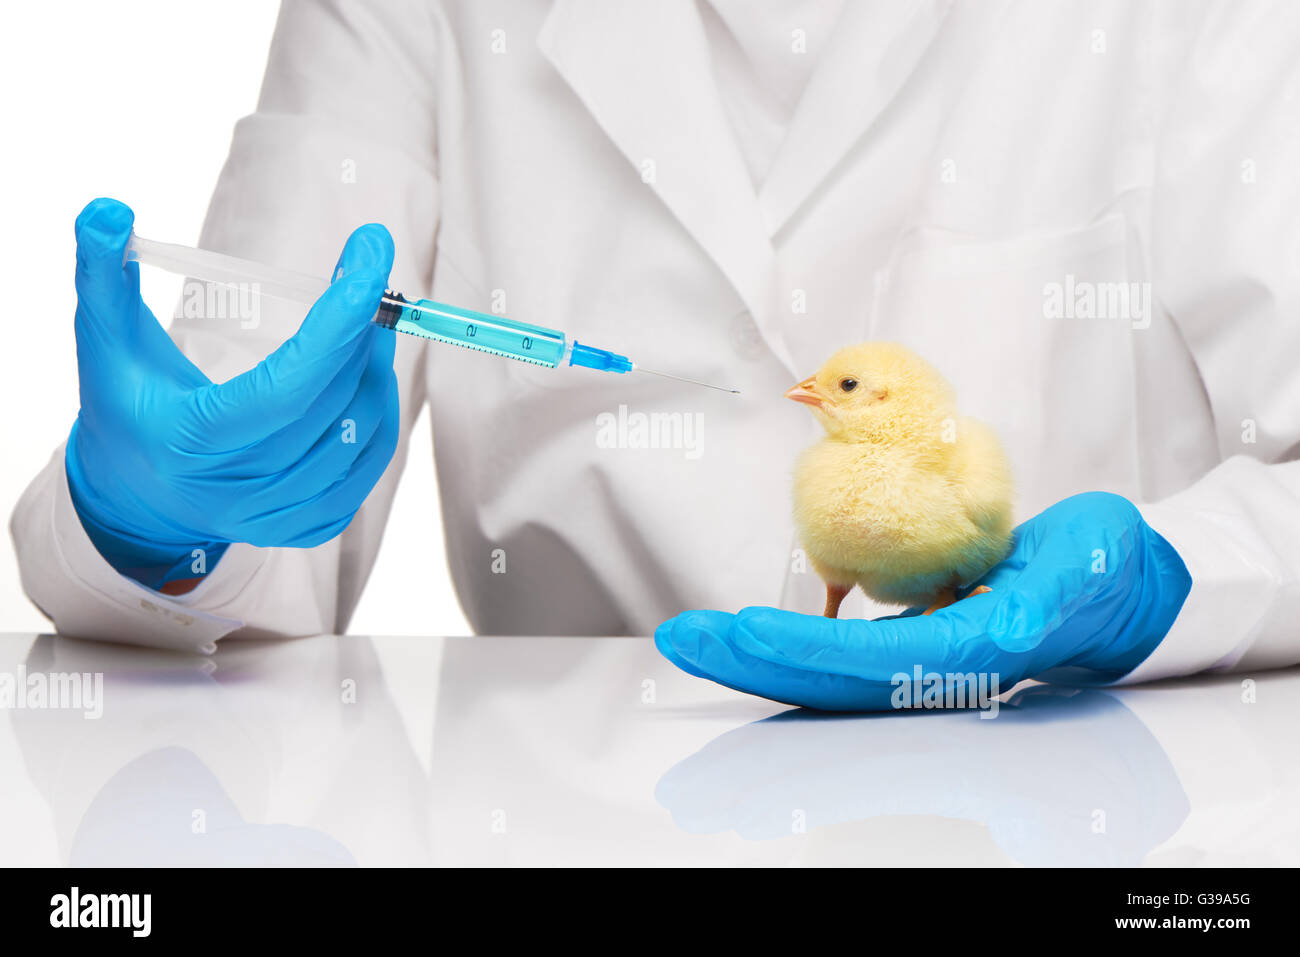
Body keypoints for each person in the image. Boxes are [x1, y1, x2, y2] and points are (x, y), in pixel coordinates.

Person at [12, 0, 1300, 709]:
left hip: (1092, 811)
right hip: (570, 827)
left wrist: (1181, 581)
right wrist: (151, 529)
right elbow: (248, 457)